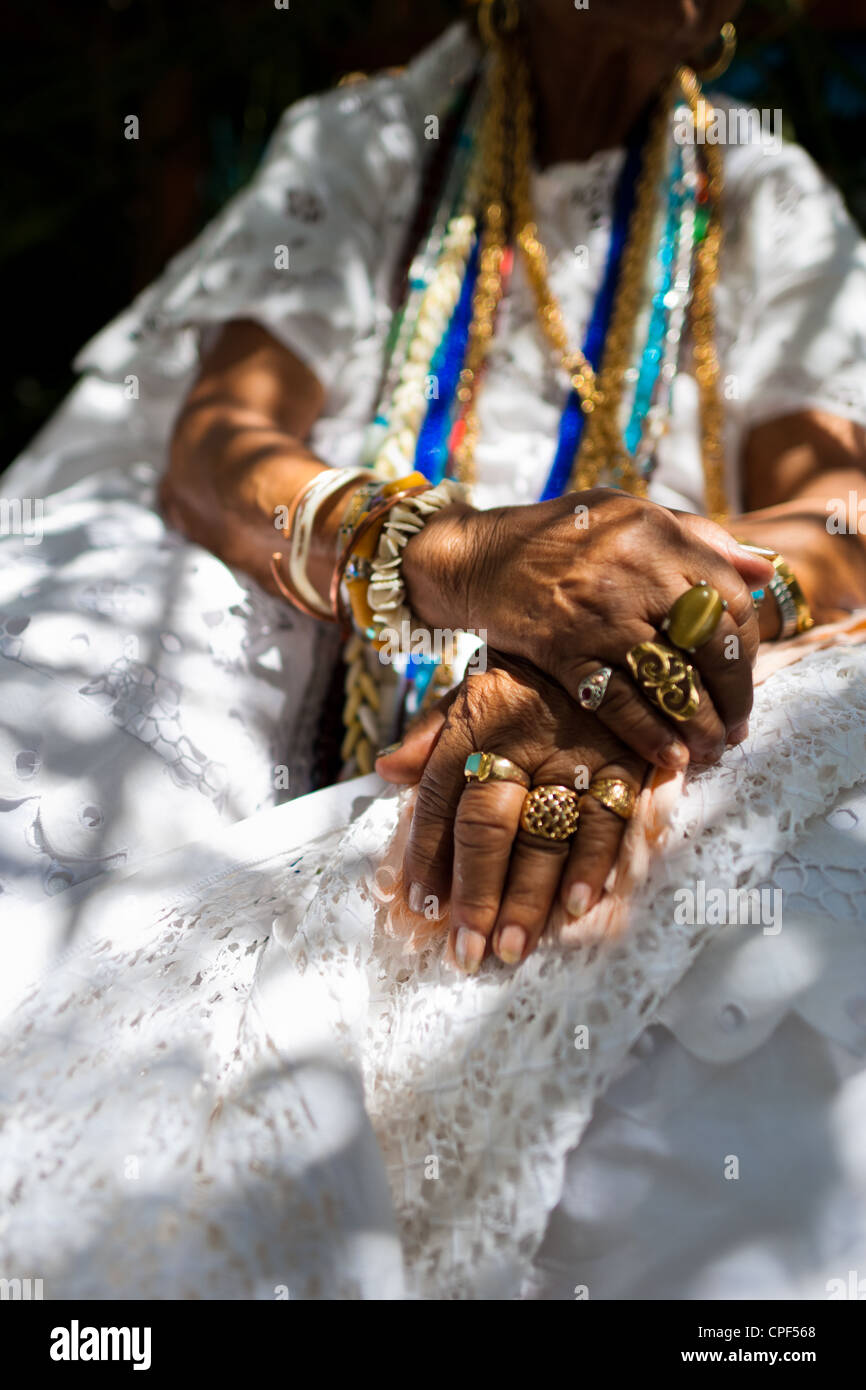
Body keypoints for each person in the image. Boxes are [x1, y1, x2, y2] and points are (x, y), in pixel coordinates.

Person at [2, 1, 866, 1300]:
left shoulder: (764, 195)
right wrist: (466, 563)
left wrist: (618, 657)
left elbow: (840, 519)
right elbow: (217, 447)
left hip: (626, 668)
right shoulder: (369, 139)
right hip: (312, 617)